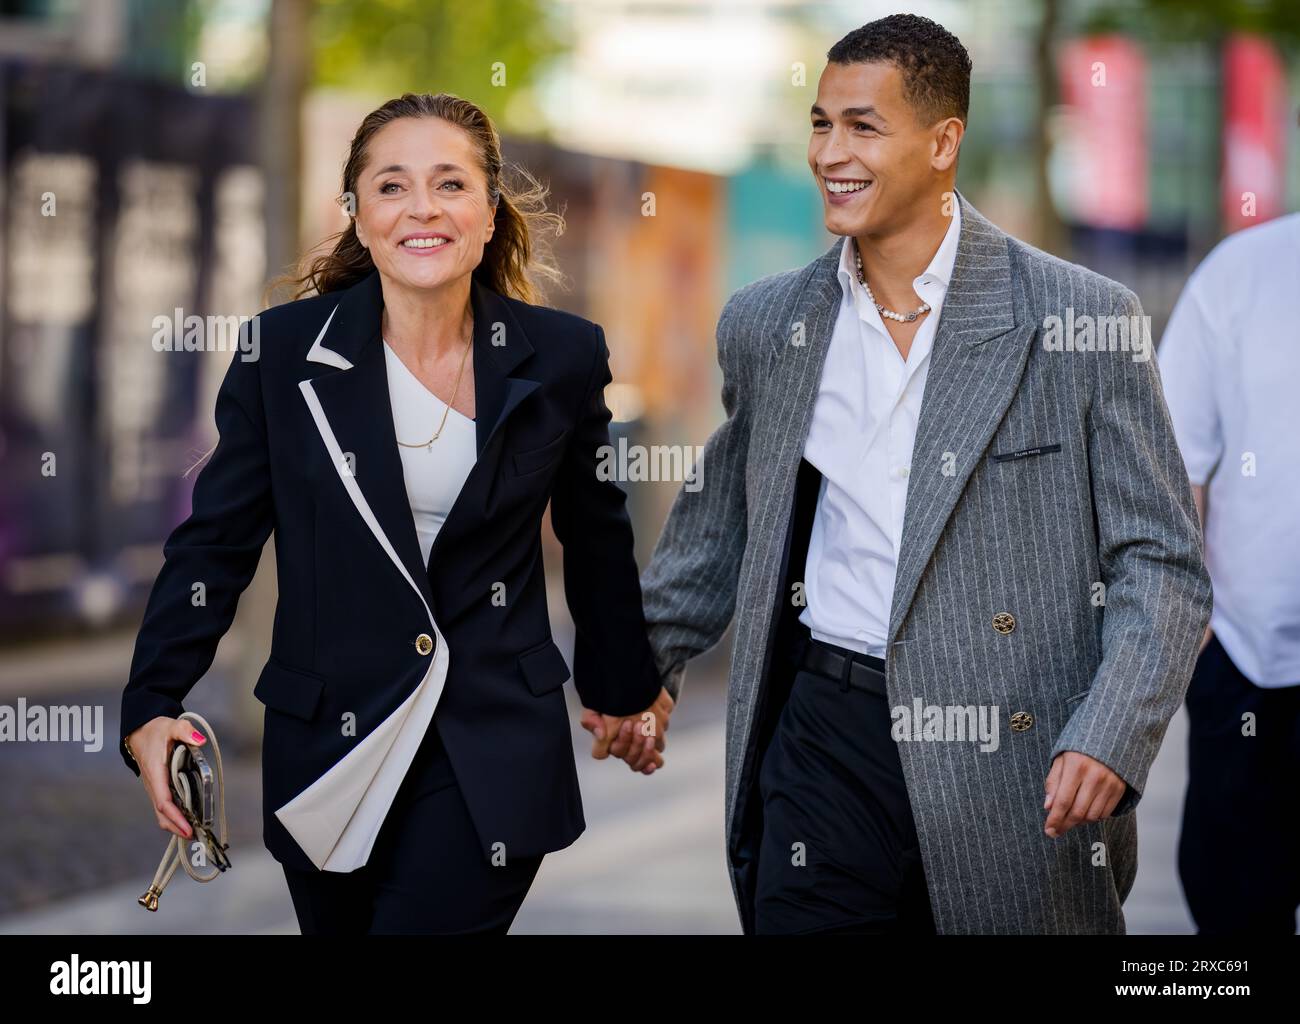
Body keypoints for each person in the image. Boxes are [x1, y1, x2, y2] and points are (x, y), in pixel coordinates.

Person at [613, 14, 1211, 934]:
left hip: (1017, 753)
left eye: (863, 126)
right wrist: (644, 665)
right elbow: (727, 519)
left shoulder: (1081, 320)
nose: (830, 153)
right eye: (821, 123)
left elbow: (1161, 561)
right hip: (823, 738)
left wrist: (1114, 729)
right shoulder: (771, 322)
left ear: (943, 142)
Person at [119, 91, 673, 935]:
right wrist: (154, 700)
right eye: (391, 186)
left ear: (490, 214)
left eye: (450, 184)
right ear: (357, 213)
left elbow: (597, 535)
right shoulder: (282, 355)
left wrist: (621, 688)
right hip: (330, 751)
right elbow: (215, 543)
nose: (422, 208)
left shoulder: (560, 355)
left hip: (488, 747)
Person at [1158, 209, 1300, 935]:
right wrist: (1193, 626)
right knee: (1236, 910)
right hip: (1244, 661)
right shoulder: (1239, 273)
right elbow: (1174, 462)